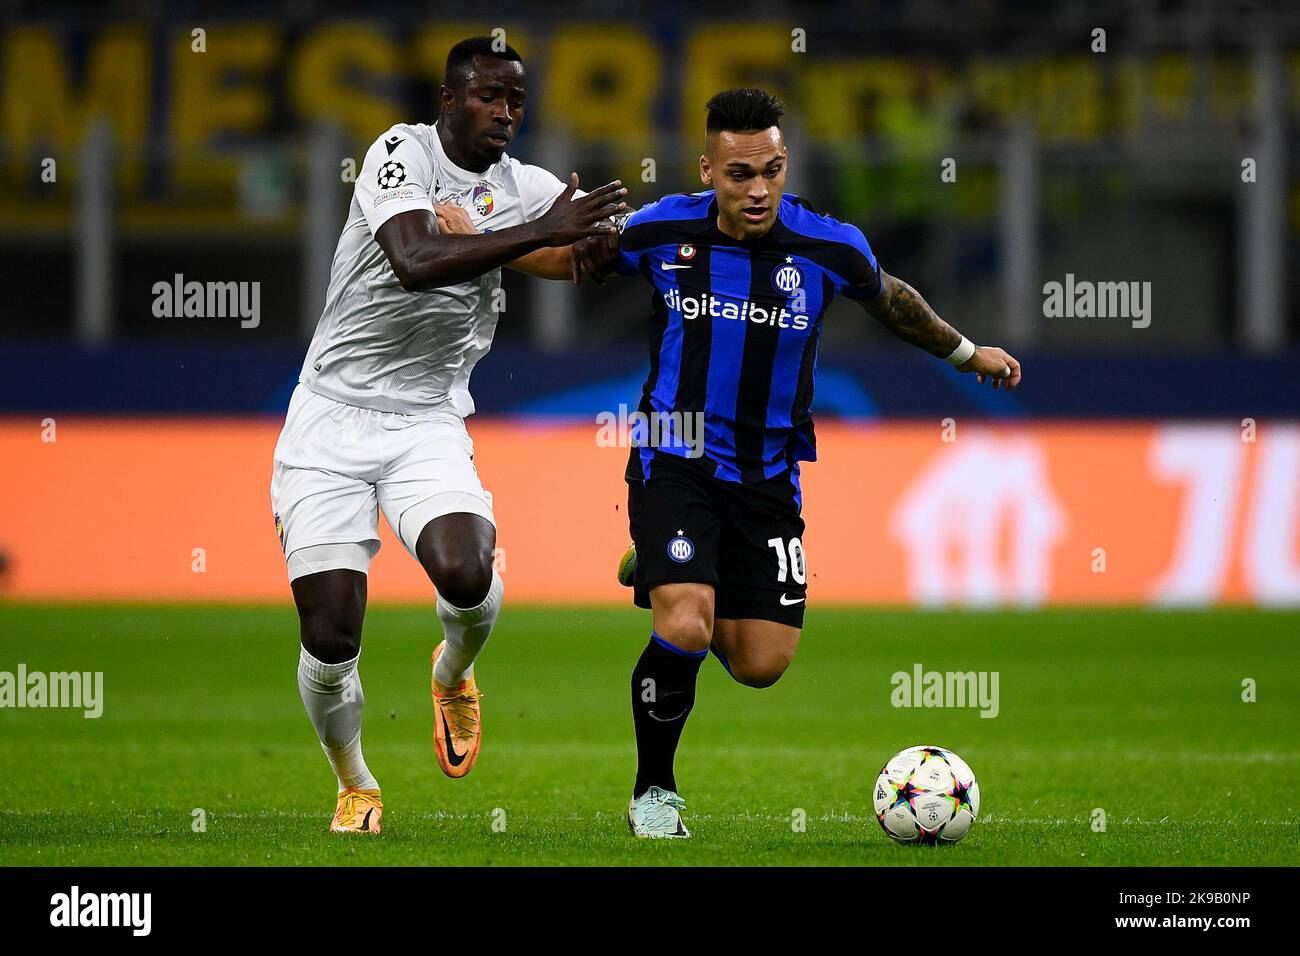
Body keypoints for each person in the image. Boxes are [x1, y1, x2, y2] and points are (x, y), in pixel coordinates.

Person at [571, 87, 1020, 837]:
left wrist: (968, 353)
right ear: (708, 169)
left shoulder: (829, 245)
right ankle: (654, 793)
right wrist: (487, 242)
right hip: (674, 455)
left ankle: (665, 565)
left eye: (772, 171)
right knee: (684, 625)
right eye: (741, 173)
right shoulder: (660, 229)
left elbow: (894, 301)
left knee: (762, 662)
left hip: (771, 476)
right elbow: (575, 255)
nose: (758, 190)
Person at [271, 36, 626, 833]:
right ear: (448, 98)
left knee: (466, 571)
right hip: (330, 417)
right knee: (330, 637)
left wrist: (611, 244)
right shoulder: (400, 153)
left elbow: (580, 254)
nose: (504, 112)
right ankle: (356, 780)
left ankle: (453, 674)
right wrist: (543, 233)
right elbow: (414, 257)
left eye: (517, 102)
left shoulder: (523, 188)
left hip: (427, 417)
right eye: (488, 96)